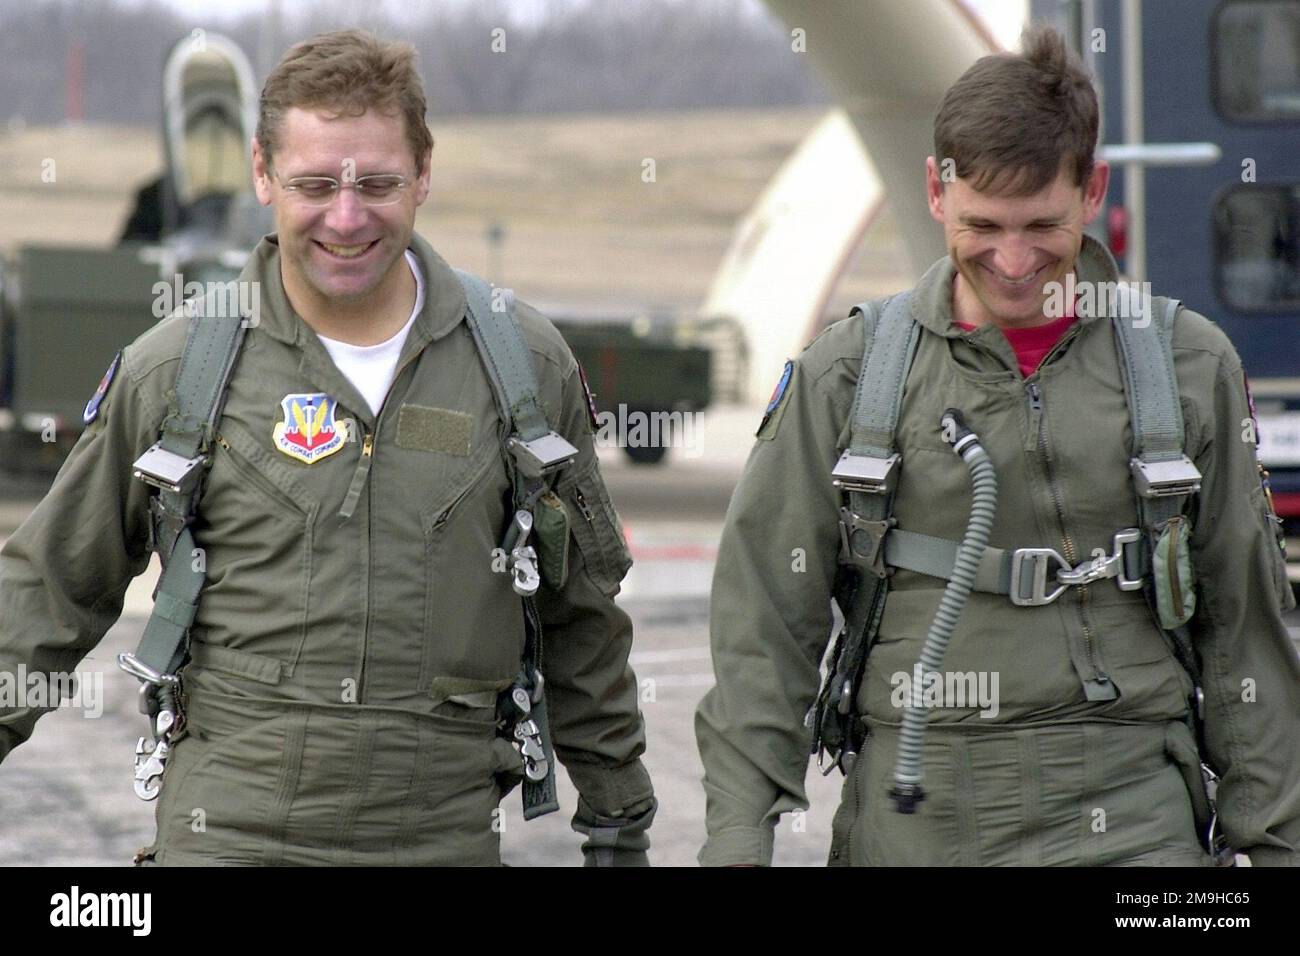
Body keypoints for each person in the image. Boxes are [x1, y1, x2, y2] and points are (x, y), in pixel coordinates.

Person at [0, 29, 655, 866]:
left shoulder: (522, 369)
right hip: (229, 834)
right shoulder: (178, 371)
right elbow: (50, 590)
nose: (346, 218)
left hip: (442, 837)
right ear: (262, 175)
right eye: (314, 184)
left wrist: (618, 820)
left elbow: (581, 619)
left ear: (424, 173)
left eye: (377, 183)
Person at [695, 26, 1300, 867]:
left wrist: (1271, 847)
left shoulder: (1186, 366)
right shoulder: (848, 375)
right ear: (936, 193)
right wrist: (735, 844)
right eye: (984, 224)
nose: (1013, 261)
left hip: (1132, 809)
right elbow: (765, 628)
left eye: (1040, 224)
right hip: (918, 804)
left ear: (1093, 190)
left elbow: (1247, 630)